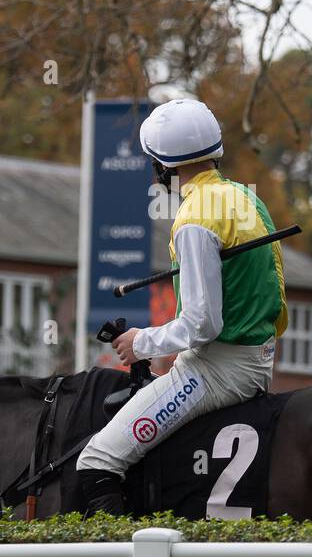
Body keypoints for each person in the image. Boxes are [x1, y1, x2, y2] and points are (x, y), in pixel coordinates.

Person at [76, 98, 289, 515]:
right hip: (256, 356)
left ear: (163, 166)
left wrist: (142, 343)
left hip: (219, 370)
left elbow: (202, 323)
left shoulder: (193, 218)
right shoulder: (245, 198)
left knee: (96, 461)